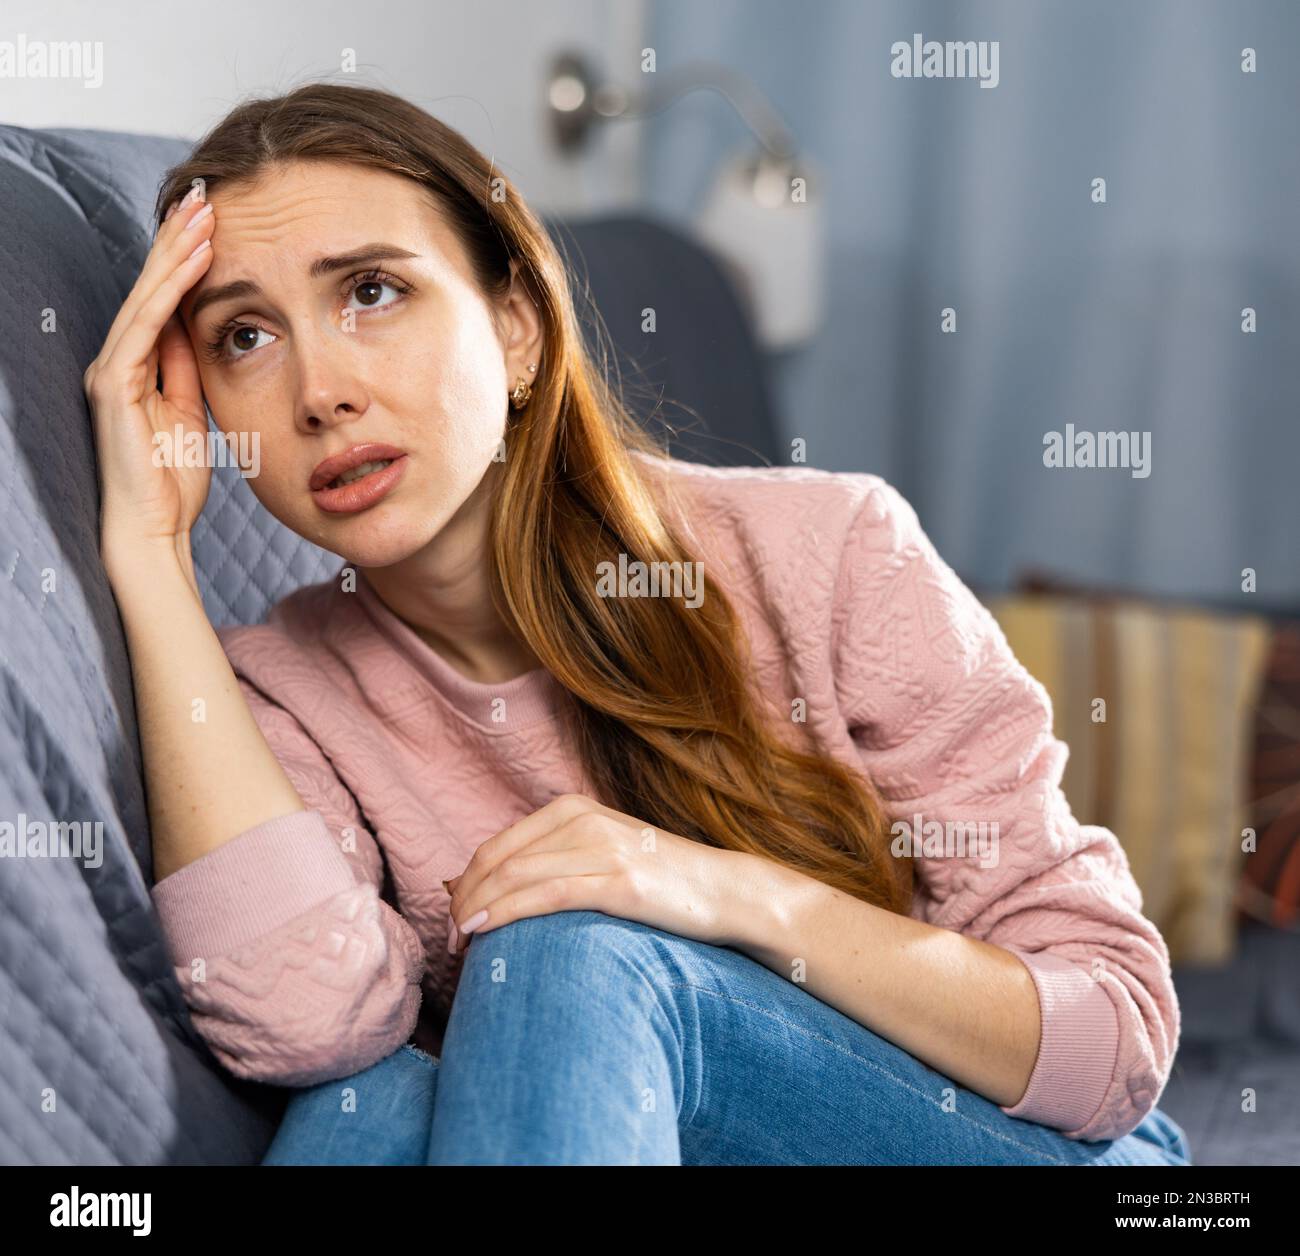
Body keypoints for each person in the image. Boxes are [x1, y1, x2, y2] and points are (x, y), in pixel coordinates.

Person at [83, 81, 1190, 1166]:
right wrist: (148, 555)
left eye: (371, 290)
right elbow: (307, 1023)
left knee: (563, 944)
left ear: (516, 329)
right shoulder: (271, 697)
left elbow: (1110, 1035)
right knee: (370, 1099)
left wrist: (715, 891)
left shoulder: (829, 548)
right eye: (243, 337)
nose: (319, 390)